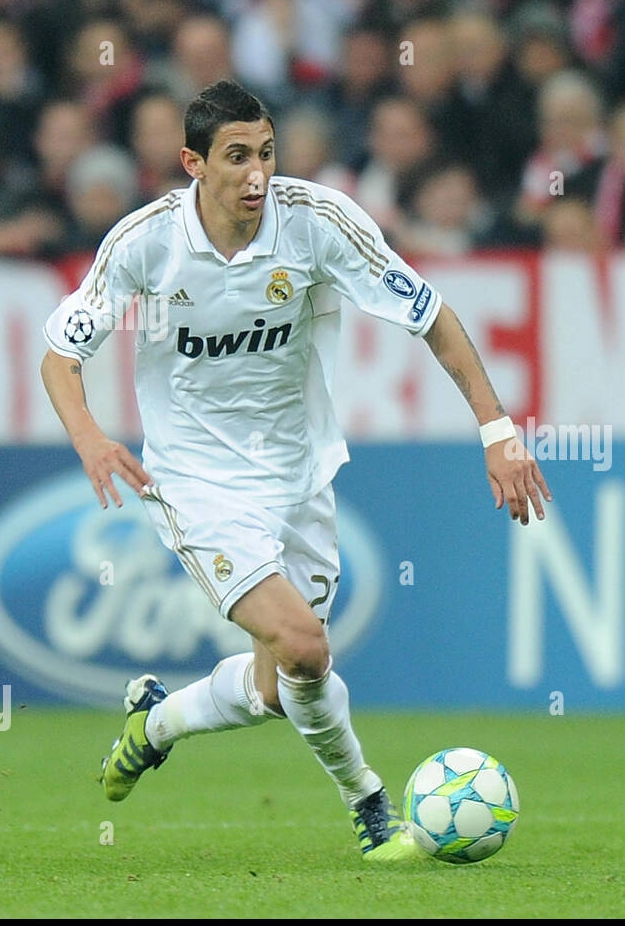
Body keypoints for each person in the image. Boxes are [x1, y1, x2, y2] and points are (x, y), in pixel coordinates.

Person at [38, 79, 551, 863]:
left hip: (299, 474)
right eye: (237, 157)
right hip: (197, 480)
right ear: (192, 163)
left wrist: (499, 431)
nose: (257, 174)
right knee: (307, 646)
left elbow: (433, 318)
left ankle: (156, 721)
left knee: (283, 686)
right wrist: (90, 439)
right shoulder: (146, 243)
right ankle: (371, 807)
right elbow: (59, 356)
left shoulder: (316, 224)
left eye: (267, 154)